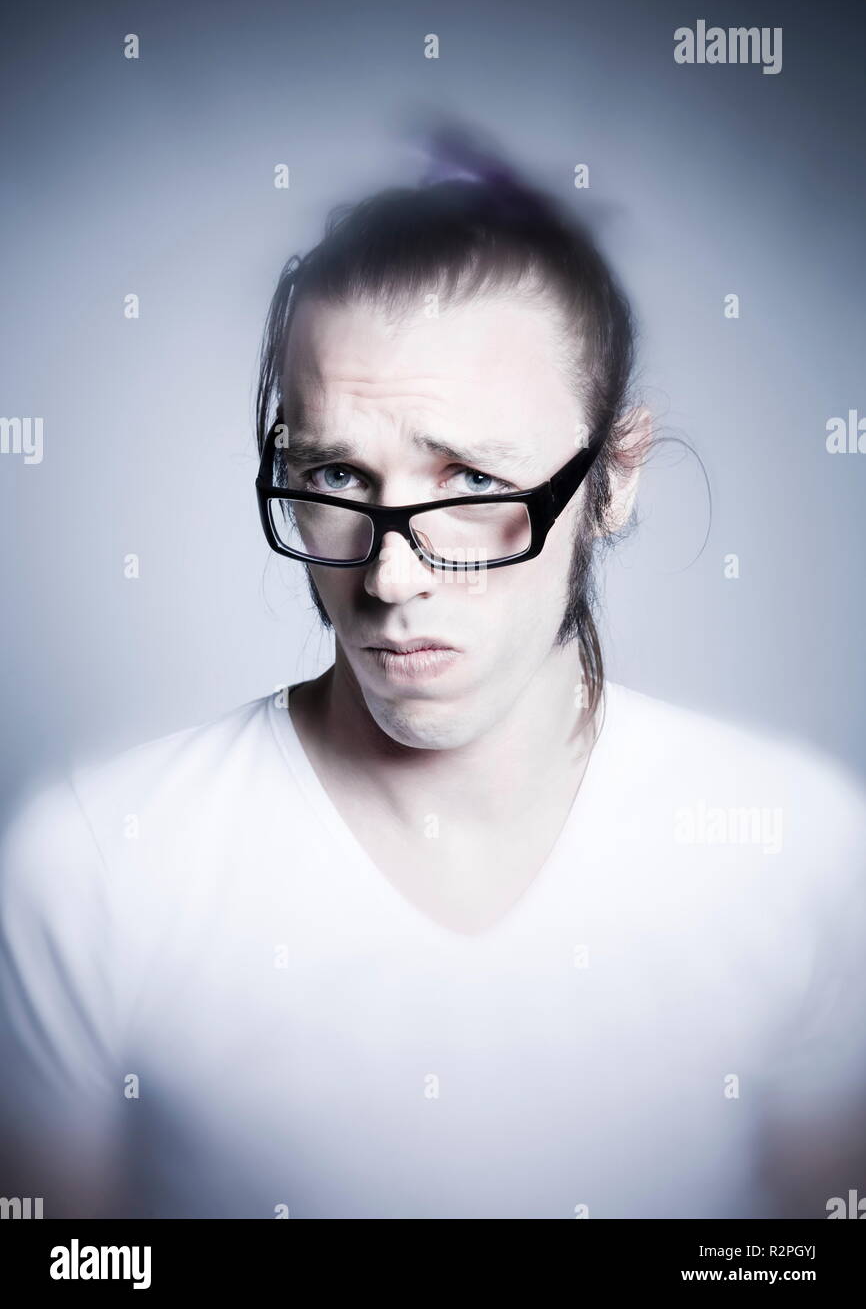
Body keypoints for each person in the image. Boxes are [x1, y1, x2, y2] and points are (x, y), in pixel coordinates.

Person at [1, 130, 864, 1219]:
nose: (393, 574)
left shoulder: (793, 851)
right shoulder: (91, 868)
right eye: (333, 473)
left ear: (611, 479)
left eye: (469, 477)